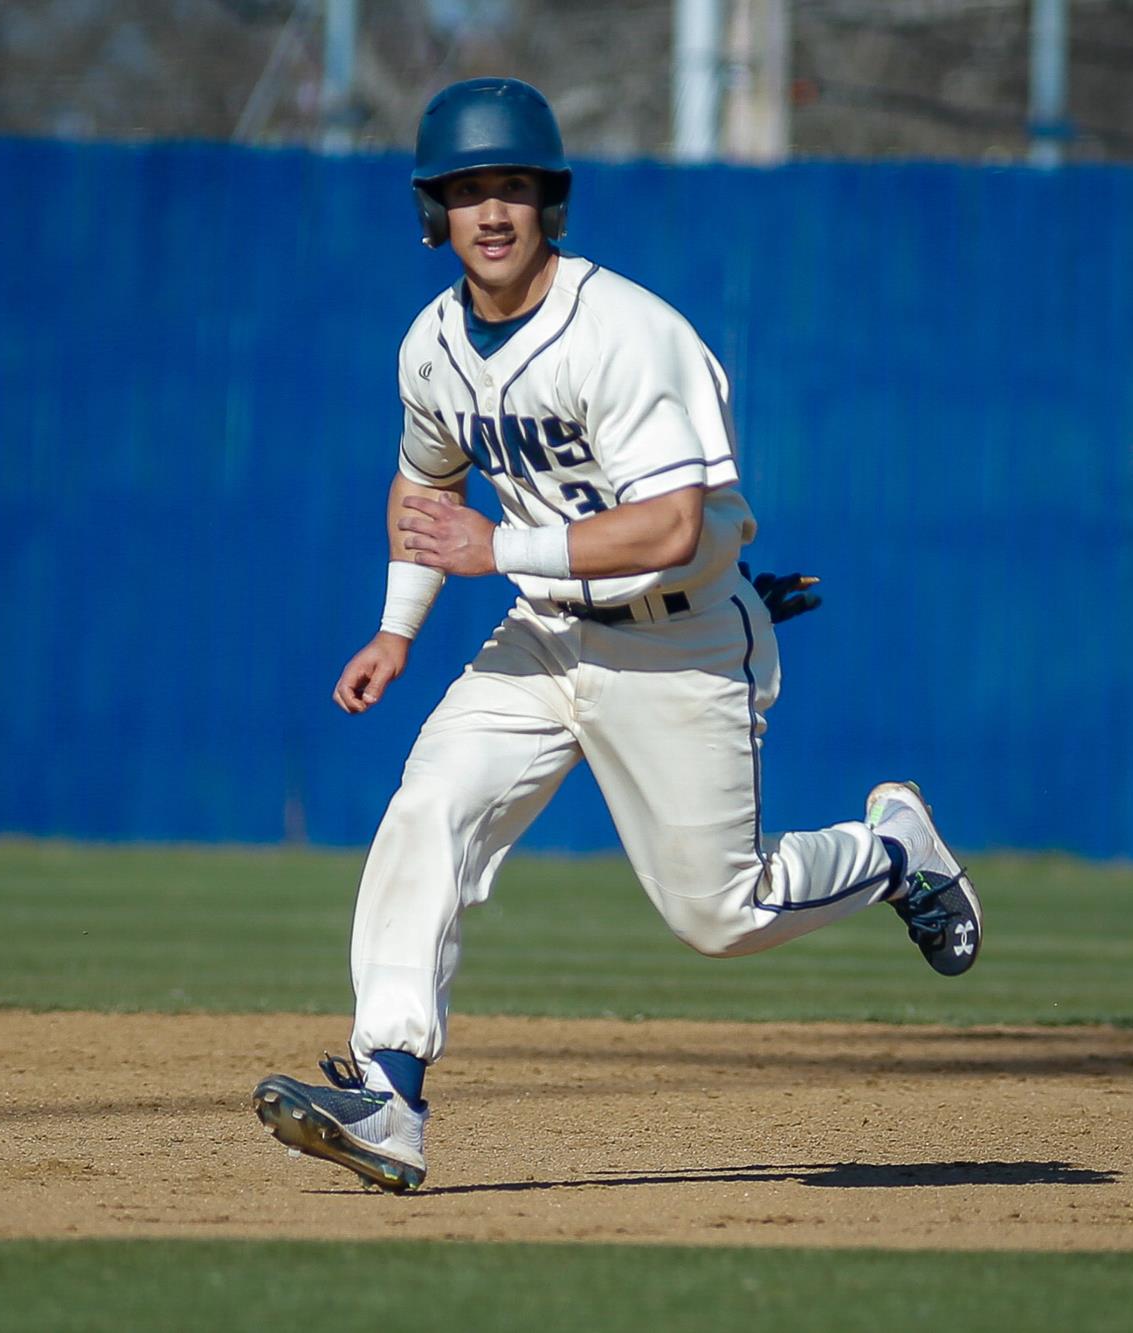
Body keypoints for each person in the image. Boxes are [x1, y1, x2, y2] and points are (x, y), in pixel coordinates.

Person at [251, 78, 981, 1194]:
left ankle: (892, 854)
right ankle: (388, 1091)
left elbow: (673, 523)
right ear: (432, 212)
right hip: (542, 634)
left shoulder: (624, 331)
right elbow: (421, 486)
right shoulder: (433, 346)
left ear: (549, 204)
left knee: (719, 915)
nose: (489, 212)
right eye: (464, 191)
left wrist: (495, 550)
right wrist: (397, 628)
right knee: (430, 806)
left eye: (511, 188)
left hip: (677, 641)